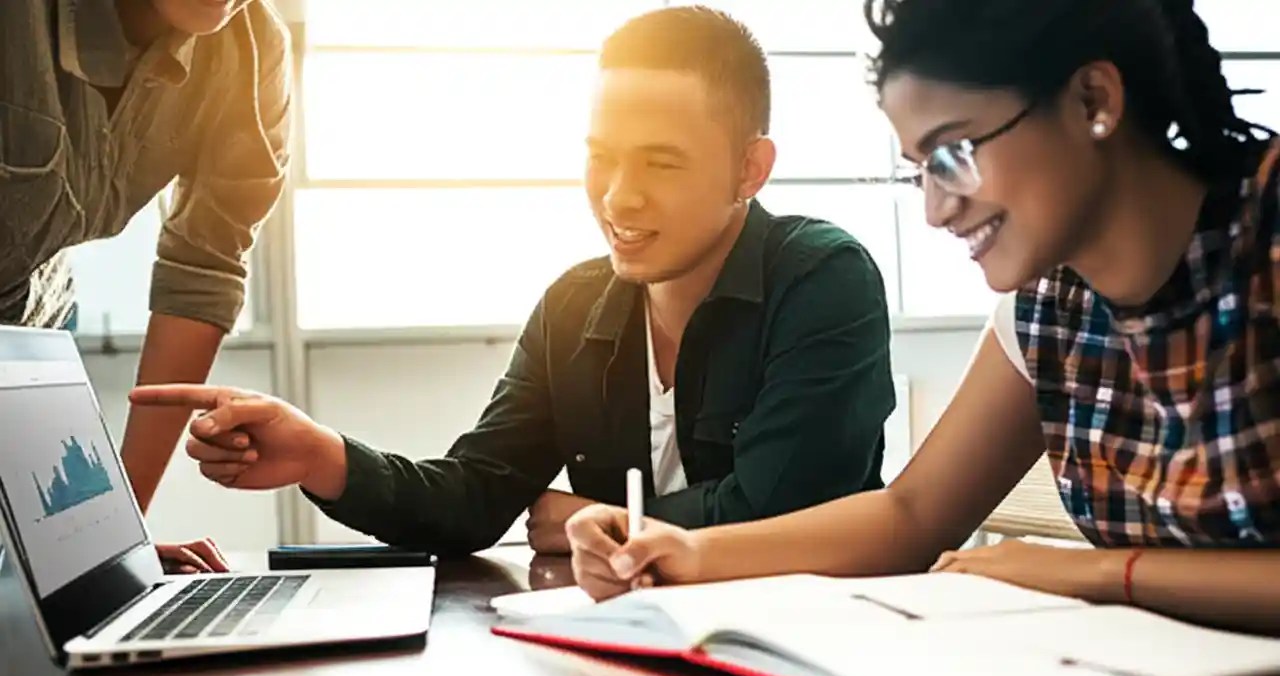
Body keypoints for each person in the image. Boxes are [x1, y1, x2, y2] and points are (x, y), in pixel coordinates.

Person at [564, 0, 1280, 637]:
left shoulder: (1265, 232)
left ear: (1094, 98)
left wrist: (1095, 572)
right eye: (920, 170)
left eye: (954, 153)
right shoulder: (1049, 307)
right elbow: (910, 515)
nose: (937, 210)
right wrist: (687, 552)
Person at [129, 7, 896, 557]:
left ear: (750, 168)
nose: (618, 196)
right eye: (602, 155)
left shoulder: (822, 278)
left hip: (806, 653)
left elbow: (785, 511)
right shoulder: (574, 305)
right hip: (635, 656)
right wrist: (322, 456)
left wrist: (590, 519)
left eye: (661, 162)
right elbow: (477, 495)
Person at [0, 0, 292, 572]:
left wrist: (112, 544)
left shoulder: (252, 50)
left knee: (47, 606)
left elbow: (201, 273)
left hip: (26, 340)